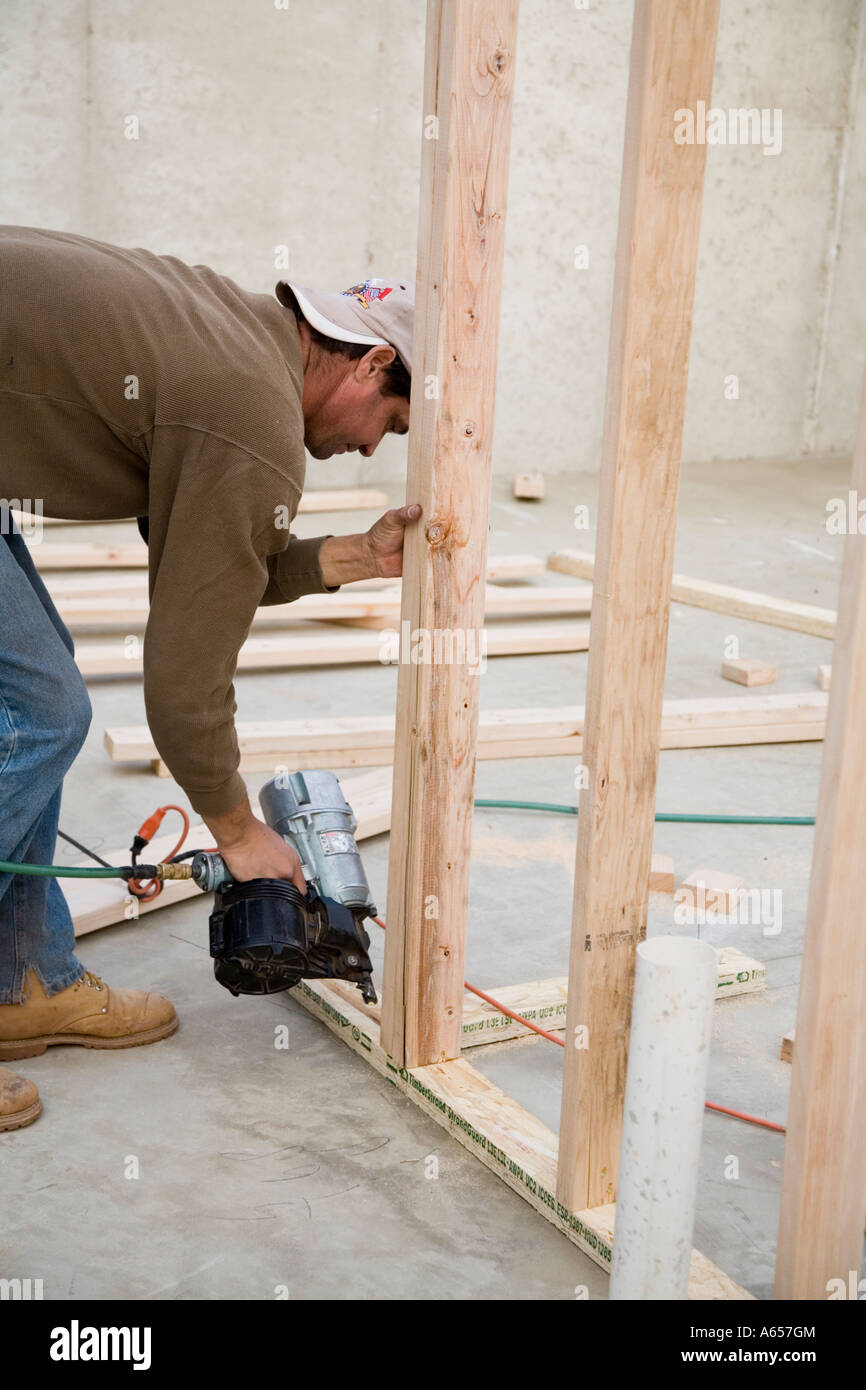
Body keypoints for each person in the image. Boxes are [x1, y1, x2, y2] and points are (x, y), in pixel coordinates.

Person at [0, 226, 419, 1130]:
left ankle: (26, 981)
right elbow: (184, 680)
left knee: (41, 700)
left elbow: (204, 556)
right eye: (392, 420)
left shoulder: (238, 341)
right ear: (370, 361)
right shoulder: (252, 412)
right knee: (37, 715)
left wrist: (350, 556)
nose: (377, 448)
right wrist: (240, 834)